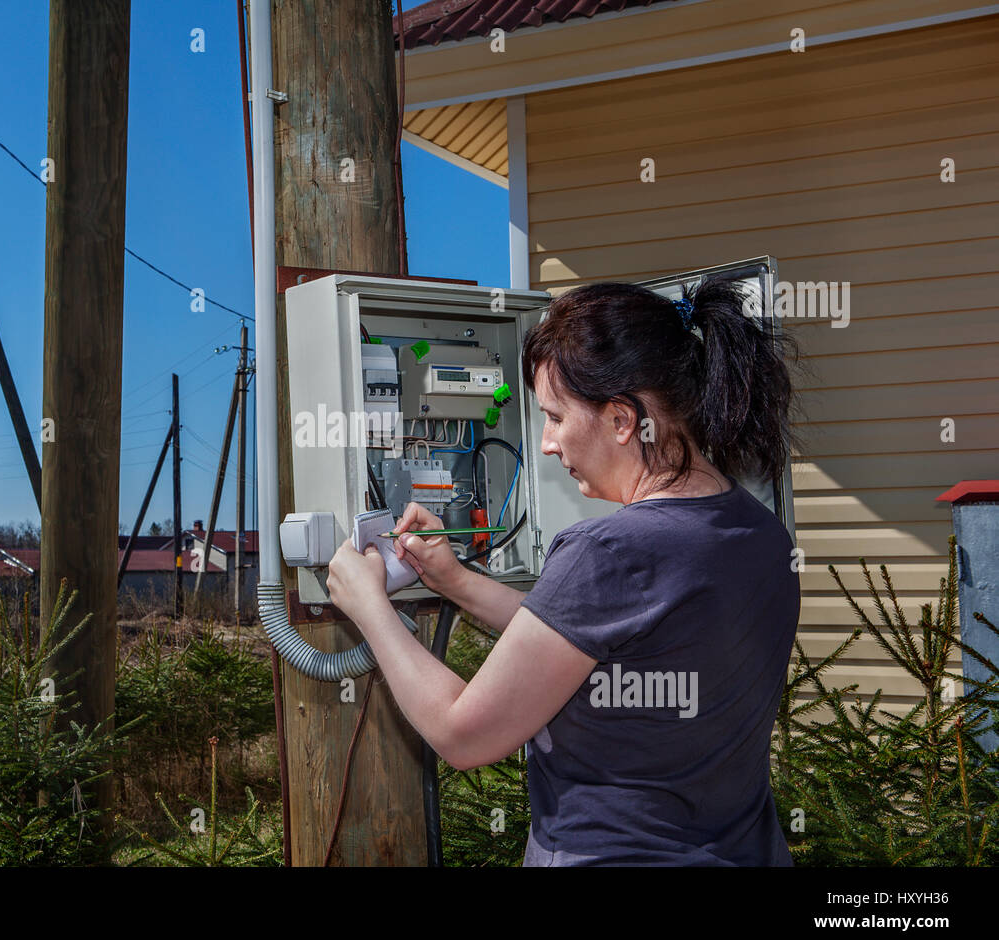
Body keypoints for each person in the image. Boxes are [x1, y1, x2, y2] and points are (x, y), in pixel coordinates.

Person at [326, 276, 801, 866]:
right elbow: (591, 640)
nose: (546, 443)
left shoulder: (607, 551)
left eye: (554, 416)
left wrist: (369, 606)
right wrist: (455, 581)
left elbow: (463, 734)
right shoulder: (760, 533)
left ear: (622, 420)